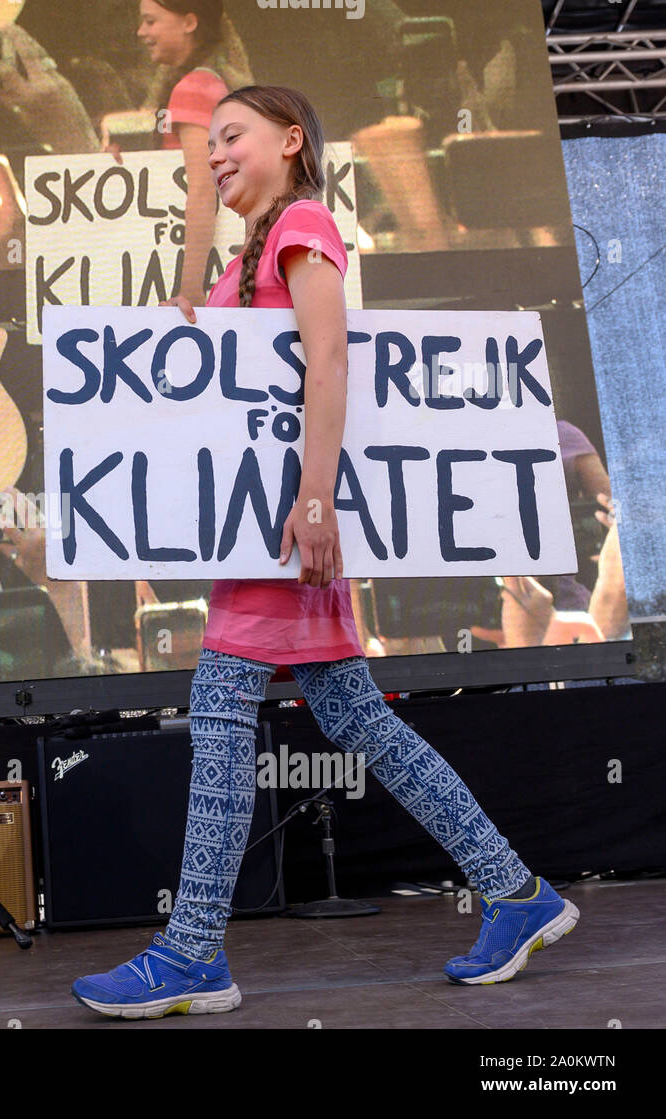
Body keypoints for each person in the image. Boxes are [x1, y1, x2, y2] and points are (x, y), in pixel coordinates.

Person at [71, 85, 580, 1020]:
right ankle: (515, 893)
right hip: (261, 535)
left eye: (235, 136)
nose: (216, 152)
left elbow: (330, 359)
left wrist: (314, 503)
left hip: (285, 532)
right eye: (210, 140)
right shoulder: (253, 248)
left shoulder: (303, 223)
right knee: (363, 725)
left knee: (222, 715)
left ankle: (192, 954)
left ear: (292, 140)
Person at [133, 0, 253, 306]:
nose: (141, 32)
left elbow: (202, 189)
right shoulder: (211, 81)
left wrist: (190, 289)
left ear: (189, 22)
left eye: (150, 21)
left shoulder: (193, 88)